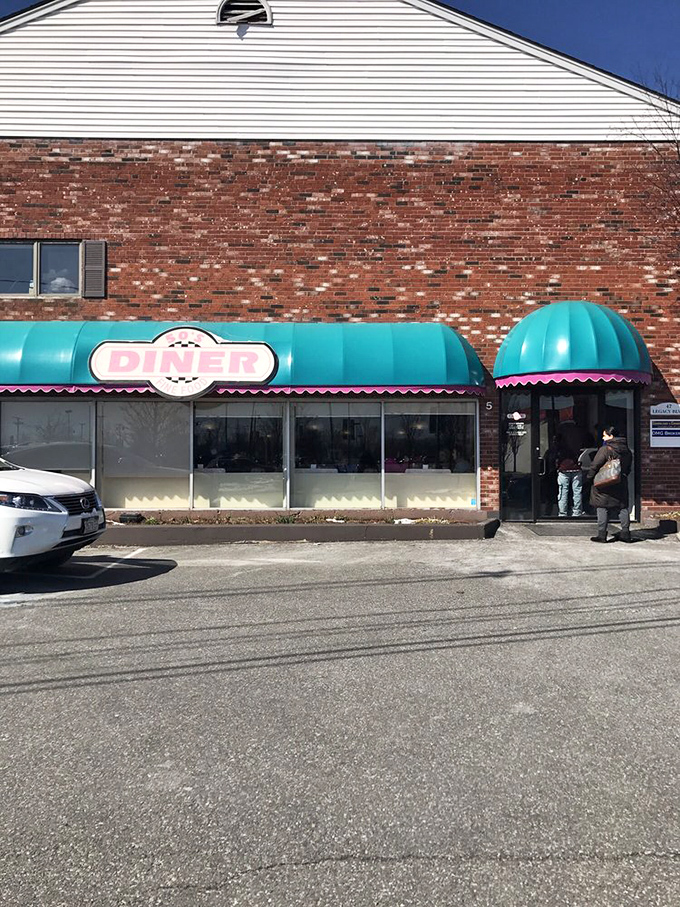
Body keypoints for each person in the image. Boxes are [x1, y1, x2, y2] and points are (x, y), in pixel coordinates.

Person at [587, 425, 633, 543]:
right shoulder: (627, 450)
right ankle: (625, 533)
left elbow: (595, 465)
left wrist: (590, 477)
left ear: (611, 436)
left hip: (605, 482)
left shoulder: (606, 449)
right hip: (620, 481)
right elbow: (628, 468)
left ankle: (602, 534)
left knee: (602, 506)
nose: (603, 438)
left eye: (604, 435)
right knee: (622, 507)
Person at [554, 432, 583, 517]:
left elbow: (556, 455)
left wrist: (557, 466)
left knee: (563, 492)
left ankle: (562, 513)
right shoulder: (577, 440)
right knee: (577, 492)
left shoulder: (560, 444)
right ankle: (577, 512)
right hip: (576, 468)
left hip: (563, 469)